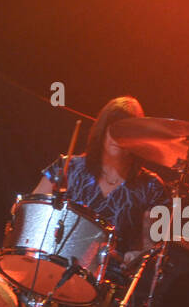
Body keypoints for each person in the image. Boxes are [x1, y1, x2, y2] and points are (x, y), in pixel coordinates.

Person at [33, 95, 167, 274]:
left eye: (126, 131)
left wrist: (135, 255)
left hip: (106, 284)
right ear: (102, 130)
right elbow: (31, 214)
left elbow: (150, 248)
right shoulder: (68, 168)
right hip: (49, 267)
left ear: (138, 139)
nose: (118, 137)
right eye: (114, 128)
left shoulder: (151, 188)